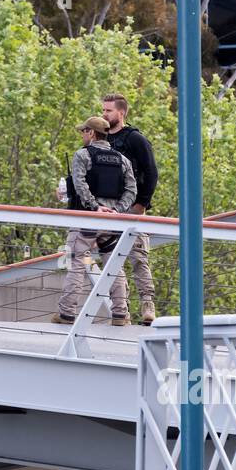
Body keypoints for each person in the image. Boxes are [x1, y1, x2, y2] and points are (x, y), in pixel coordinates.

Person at [52, 116, 136, 328]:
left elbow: (80, 184)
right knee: (114, 266)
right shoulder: (122, 159)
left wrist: (94, 207)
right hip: (113, 223)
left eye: (83, 131)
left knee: (77, 263)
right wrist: (116, 210)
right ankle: (120, 314)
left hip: (86, 219)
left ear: (91, 133)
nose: (82, 135)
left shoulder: (82, 155)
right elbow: (131, 190)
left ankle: (67, 313)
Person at [102, 93, 158, 326]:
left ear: (121, 113)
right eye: (103, 110)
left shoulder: (135, 139)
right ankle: (121, 309)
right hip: (107, 209)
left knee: (138, 258)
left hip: (132, 209)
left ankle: (147, 306)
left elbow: (151, 172)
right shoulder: (99, 137)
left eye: (108, 111)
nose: (104, 114)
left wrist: (141, 204)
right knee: (110, 259)